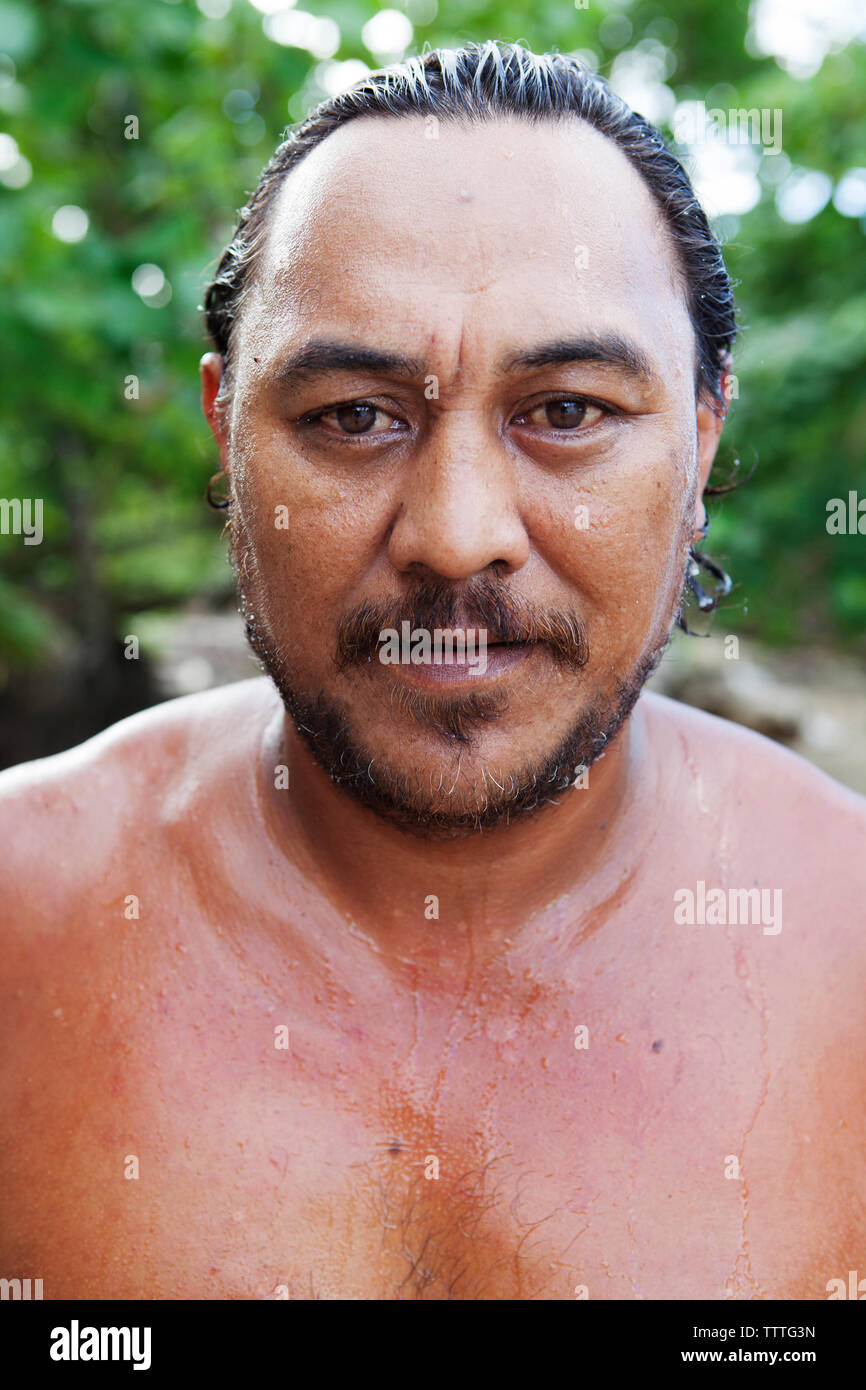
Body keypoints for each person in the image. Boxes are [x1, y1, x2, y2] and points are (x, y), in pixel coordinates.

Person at [1, 41, 864, 1301]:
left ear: (698, 435)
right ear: (223, 436)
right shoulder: (20, 921)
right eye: (354, 416)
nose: (456, 534)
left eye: (565, 410)